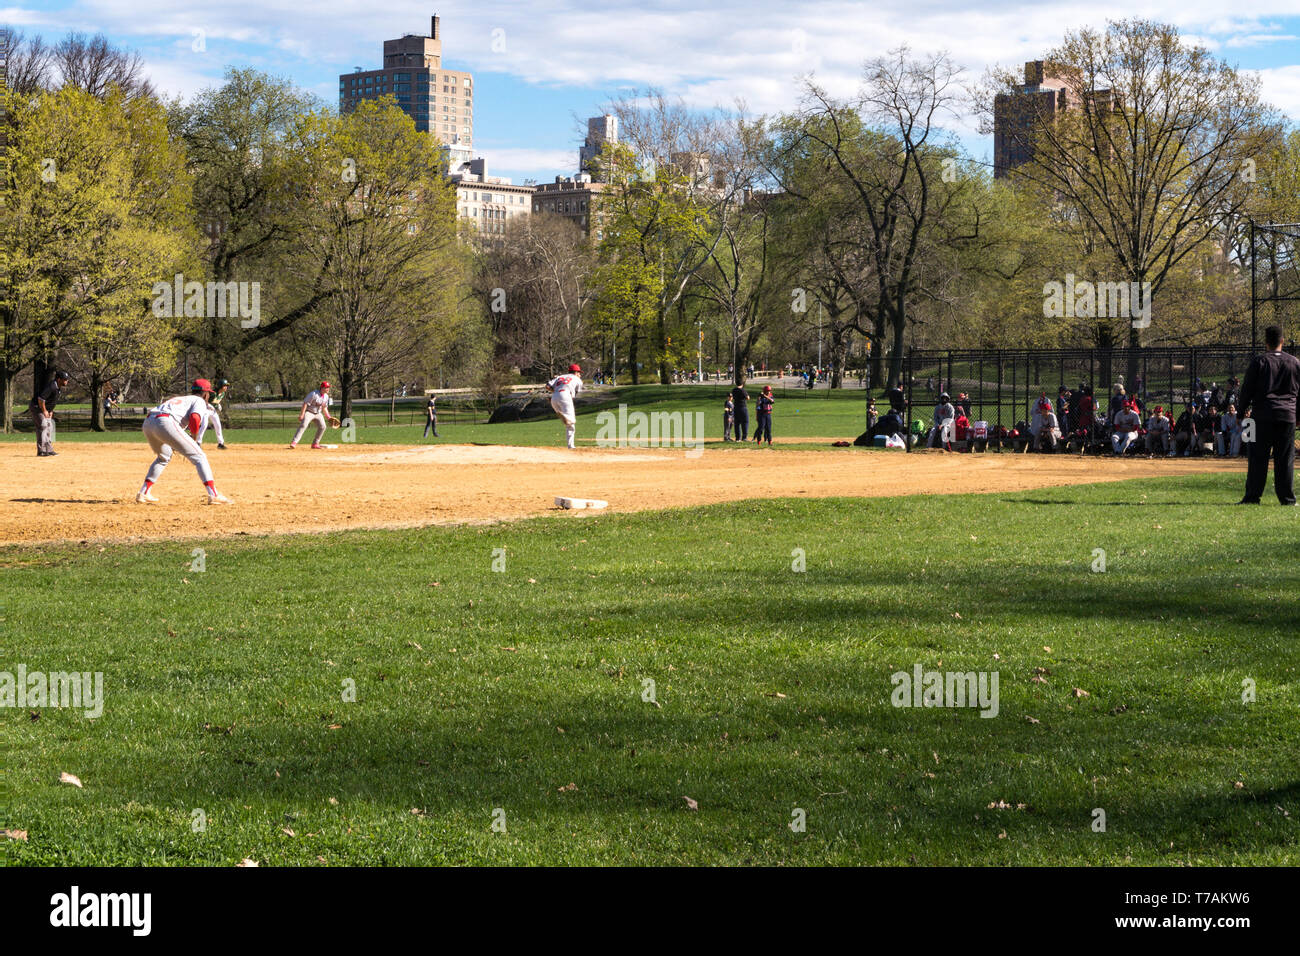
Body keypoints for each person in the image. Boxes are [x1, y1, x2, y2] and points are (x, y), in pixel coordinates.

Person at [136, 379, 232, 505]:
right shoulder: (199, 401)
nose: (208, 396)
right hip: (164, 422)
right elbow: (195, 418)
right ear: (205, 394)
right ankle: (213, 495)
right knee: (200, 456)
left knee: (163, 457)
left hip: (148, 422)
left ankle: (143, 493)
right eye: (208, 393)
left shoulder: (183, 399)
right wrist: (194, 438)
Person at [1239, 325, 1300, 505]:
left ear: (1266, 343)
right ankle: (1287, 498)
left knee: (1258, 457)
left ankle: (1252, 496)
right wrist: (1298, 416)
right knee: (1285, 459)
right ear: (1282, 341)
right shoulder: (1294, 362)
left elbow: (1247, 390)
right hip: (1287, 415)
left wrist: (1241, 412)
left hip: (1263, 415)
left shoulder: (1259, 361)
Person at [30, 370, 69, 457]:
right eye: (65, 379)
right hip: (37, 407)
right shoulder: (51, 387)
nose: (66, 381)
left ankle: (49, 450)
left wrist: (50, 410)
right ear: (59, 379)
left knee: (49, 427)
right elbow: (41, 399)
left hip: (44, 408)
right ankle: (41, 451)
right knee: (43, 426)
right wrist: (44, 411)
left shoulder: (57, 388)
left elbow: (51, 401)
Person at [547, 363, 584, 449]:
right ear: (575, 372)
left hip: (554, 397)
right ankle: (571, 446)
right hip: (566, 396)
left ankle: (564, 416)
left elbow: (547, 386)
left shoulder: (560, 377)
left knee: (568, 421)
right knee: (571, 423)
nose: (580, 374)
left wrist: (556, 393)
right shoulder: (578, 379)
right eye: (579, 372)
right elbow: (575, 393)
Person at [290, 381, 334, 449]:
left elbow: (324, 408)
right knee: (303, 425)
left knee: (323, 427)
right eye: (326, 387)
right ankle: (294, 442)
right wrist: (302, 414)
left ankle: (315, 444)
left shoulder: (326, 397)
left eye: (328, 387)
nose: (328, 389)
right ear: (322, 388)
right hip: (309, 412)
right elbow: (305, 403)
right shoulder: (313, 394)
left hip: (318, 413)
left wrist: (329, 417)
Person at [197, 378, 229, 449]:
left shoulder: (223, 393)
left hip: (213, 411)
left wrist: (218, 404)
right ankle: (198, 442)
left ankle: (220, 443)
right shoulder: (213, 393)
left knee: (218, 425)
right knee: (204, 425)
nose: (226, 387)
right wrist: (213, 405)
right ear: (220, 386)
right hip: (206, 410)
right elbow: (204, 400)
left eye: (226, 385)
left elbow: (216, 401)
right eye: (225, 385)